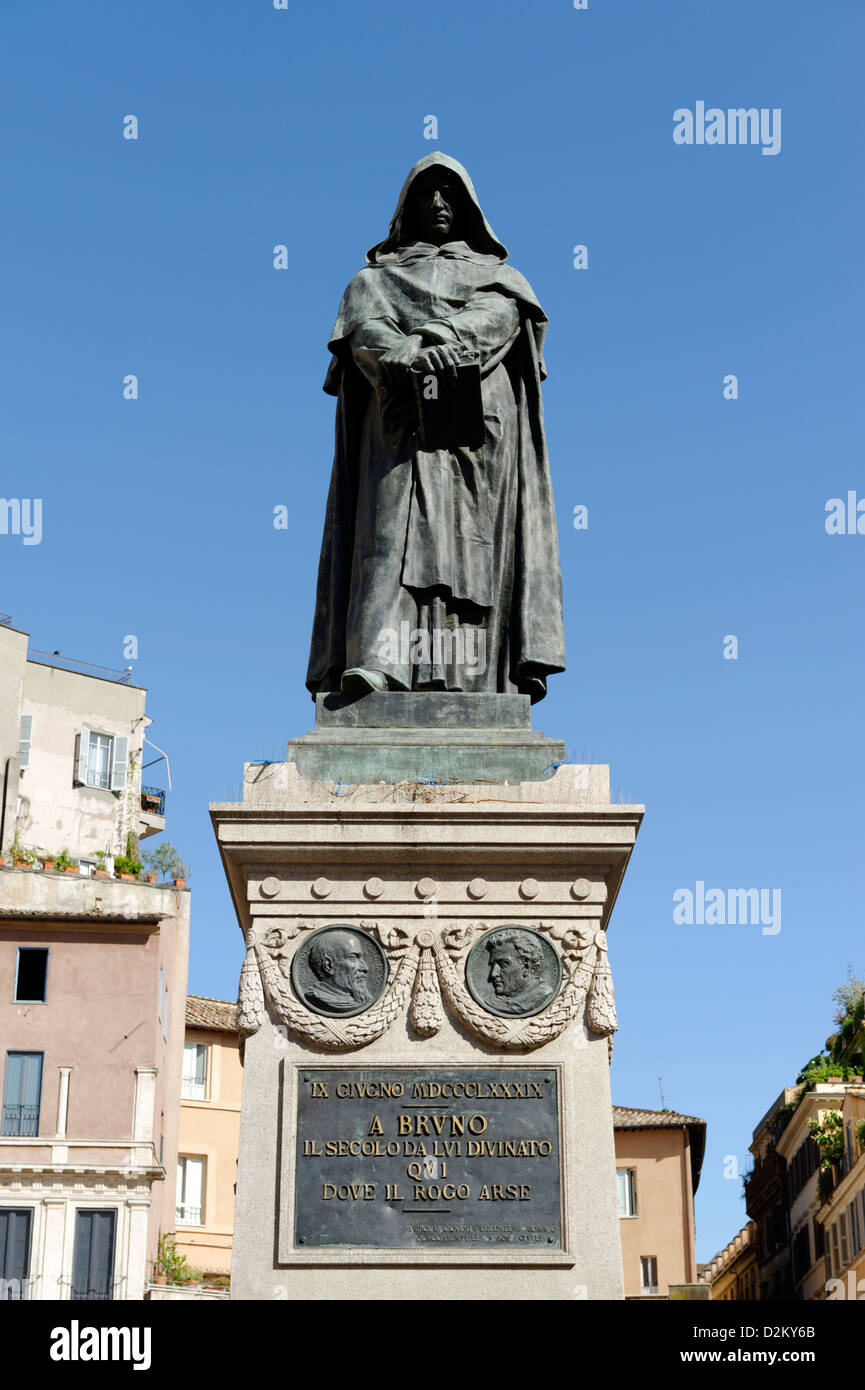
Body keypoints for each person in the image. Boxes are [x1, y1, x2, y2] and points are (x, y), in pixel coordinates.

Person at [306, 152, 565, 703]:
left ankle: (474, 680)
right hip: (398, 423)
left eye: (450, 193)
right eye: (427, 194)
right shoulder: (373, 280)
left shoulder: (499, 278)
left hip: (477, 431)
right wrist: (400, 356)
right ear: (407, 207)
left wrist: (430, 339)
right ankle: (377, 661)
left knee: (470, 548)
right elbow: (363, 332)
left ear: (469, 206)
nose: (439, 204)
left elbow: (498, 320)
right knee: (388, 536)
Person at [484, 929, 552, 1015]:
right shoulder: (493, 1001)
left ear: (526, 965)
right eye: (492, 965)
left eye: (503, 964)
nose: (493, 974)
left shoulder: (542, 994)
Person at [304, 931, 371, 1014]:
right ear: (329, 965)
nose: (365, 968)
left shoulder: (357, 1000)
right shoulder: (316, 997)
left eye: (360, 958)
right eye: (353, 958)